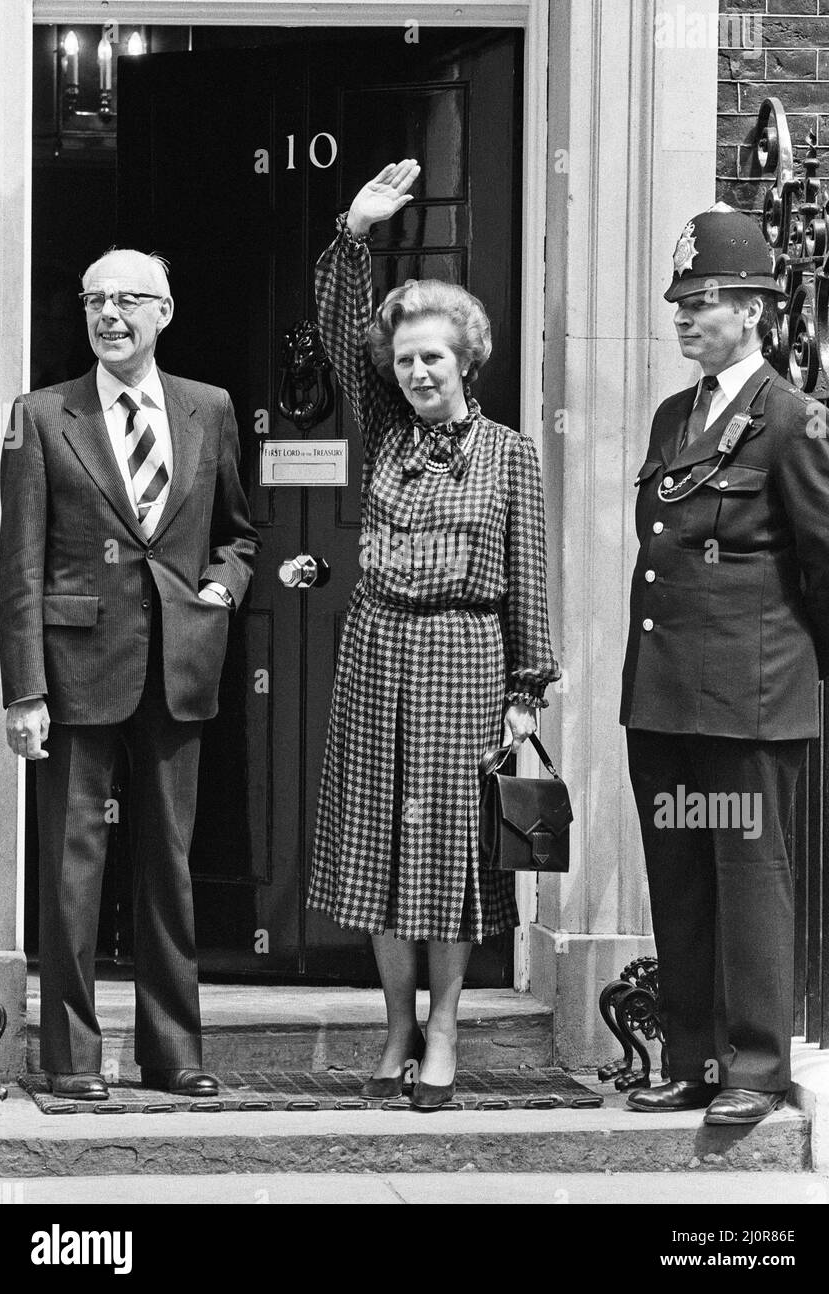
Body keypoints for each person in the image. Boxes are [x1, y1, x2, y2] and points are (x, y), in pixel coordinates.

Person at [306, 161, 559, 1110]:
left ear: (467, 363)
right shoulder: (385, 432)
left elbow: (530, 576)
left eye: (433, 358)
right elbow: (340, 335)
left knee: (449, 850)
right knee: (377, 842)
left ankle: (447, 1029)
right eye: (406, 358)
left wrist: (525, 690)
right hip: (375, 649)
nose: (417, 372)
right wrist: (355, 233)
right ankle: (397, 1026)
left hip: (465, 654)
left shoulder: (509, 455)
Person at [0, 248, 260, 1101]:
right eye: (95, 300)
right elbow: (20, 565)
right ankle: (71, 1061)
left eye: (129, 300)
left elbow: (238, 533)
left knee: (170, 866)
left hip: (178, 666)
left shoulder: (209, 409)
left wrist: (221, 587)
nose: (110, 314)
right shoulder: (43, 416)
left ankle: (173, 1053)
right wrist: (24, 691)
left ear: (165, 312)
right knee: (74, 868)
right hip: (75, 672)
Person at [621, 205, 829, 1124]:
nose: (684, 319)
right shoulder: (679, 413)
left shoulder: (794, 419)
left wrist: (797, 668)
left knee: (751, 877)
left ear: (752, 309)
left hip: (749, 698)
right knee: (677, 876)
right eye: (678, 303)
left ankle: (752, 1066)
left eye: (702, 302)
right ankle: (689, 1059)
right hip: (666, 693)